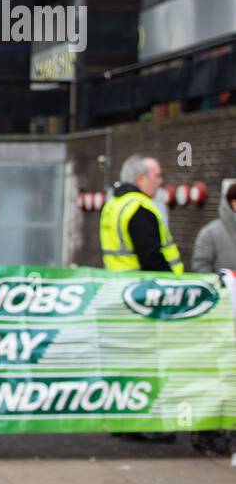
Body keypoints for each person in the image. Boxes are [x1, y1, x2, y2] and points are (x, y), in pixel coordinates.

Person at [101, 154, 181, 443]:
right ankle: (145, 421)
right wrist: (177, 286)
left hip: (120, 294)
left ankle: (124, 420)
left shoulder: (114, 205)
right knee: (148, 361)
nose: (161, 181)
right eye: (157, 175)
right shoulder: (140, 208)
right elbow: (151, 256)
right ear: (140, 179)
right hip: (146, 297)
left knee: (126, 359)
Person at [190, 179, 236, 456]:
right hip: (222, 321)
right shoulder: (211, 233)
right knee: (217, 377)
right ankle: (209, 431)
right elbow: (200, 270)